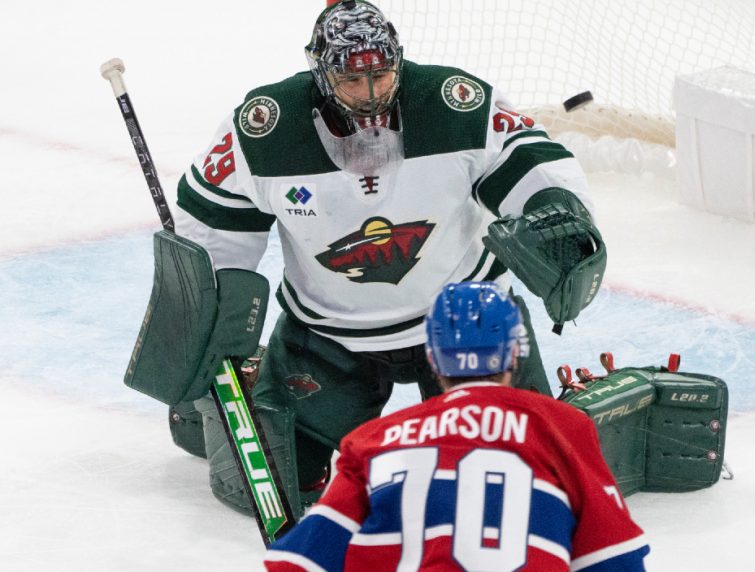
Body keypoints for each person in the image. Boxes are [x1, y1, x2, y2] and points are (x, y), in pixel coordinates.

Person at [164, 0, 606, 517]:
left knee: (519, 482)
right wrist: (214, 309)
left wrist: (554, 211)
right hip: (328, 334)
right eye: (353, 80)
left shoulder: (455, 102)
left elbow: (533, 160)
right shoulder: (265, 128)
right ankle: (251, 383)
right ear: (320, 70)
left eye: (382, 73)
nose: (371, 92)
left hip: (465, 324)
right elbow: (210, 223)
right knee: (274, 481)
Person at [263, 282, 648, 571]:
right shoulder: (563, 427)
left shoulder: (372, 442)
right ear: (515, 352)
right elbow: (615, 558)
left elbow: (298, 564)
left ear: (431, 357)